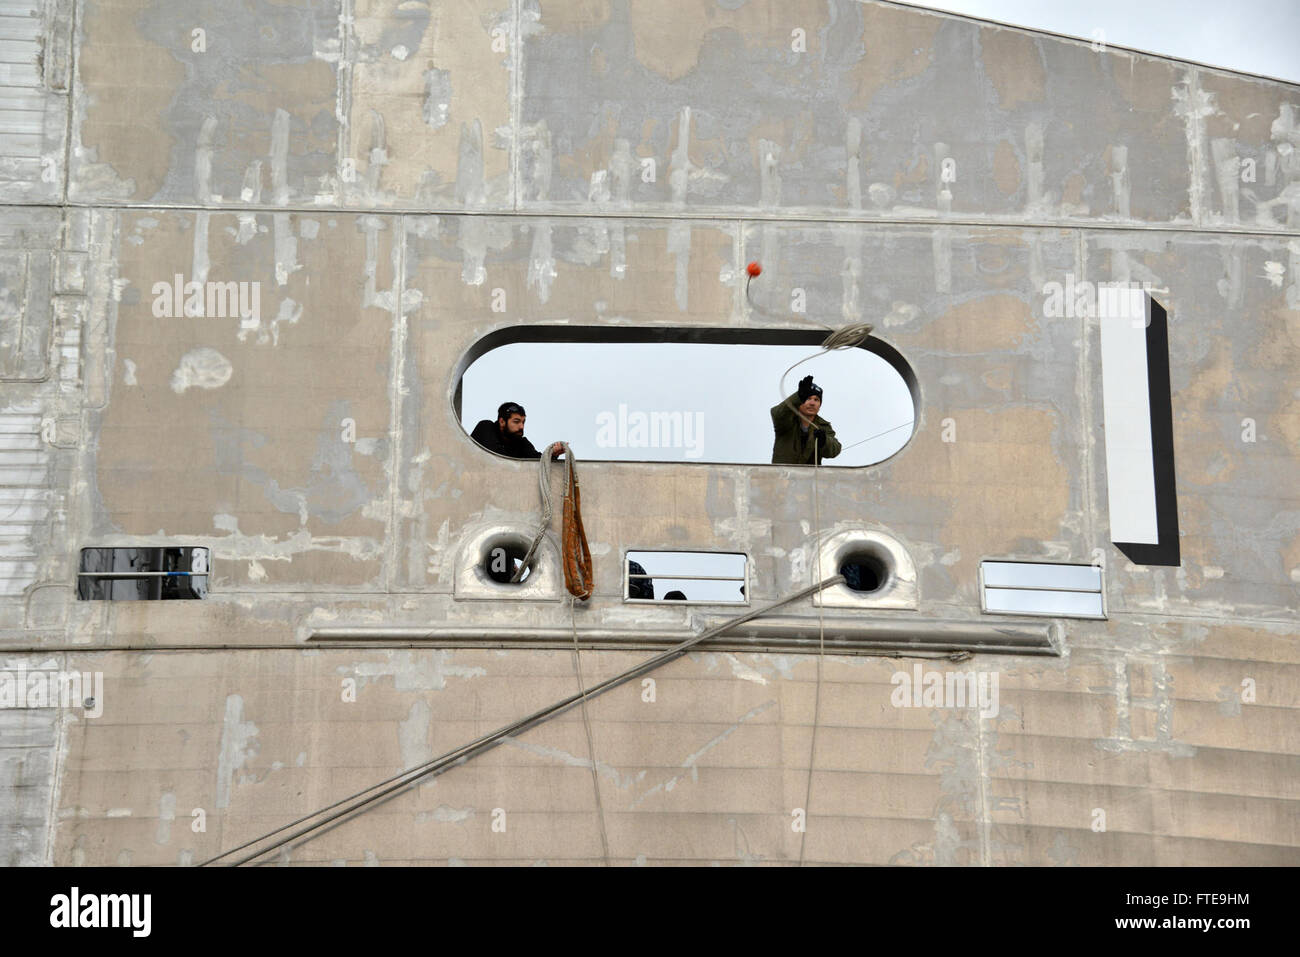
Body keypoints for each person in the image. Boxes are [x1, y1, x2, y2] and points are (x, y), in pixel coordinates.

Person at [771, 375, 842, 465]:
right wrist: (798, 395)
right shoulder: (787, 420)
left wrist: (824, 441)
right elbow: (777, 414)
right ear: (799, 401)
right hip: (783, 476)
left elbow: (835, 450)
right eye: (808, 398)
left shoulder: (823, 426)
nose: (812, 403)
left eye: (816, 400)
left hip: (811, 477)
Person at [470, 401, 563, 460]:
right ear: (502, 421)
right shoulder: (486, 427)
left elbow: (538, 461)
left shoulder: (521, 443)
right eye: (516, 422)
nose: (521, 427)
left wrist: (552, 454)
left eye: (523, 422)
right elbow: (495, 457)